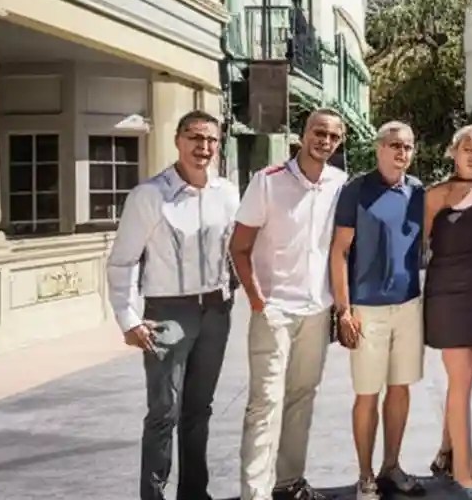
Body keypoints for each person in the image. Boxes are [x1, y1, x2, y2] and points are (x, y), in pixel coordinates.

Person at [105, 110, 240, 500]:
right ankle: (153, 494)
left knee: (200, 409)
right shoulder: (150, 195)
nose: (204, 147)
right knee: (164, 410)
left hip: (217, 310)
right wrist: (128, 317)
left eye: (211, 140)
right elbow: (123, 260)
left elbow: (240, 248)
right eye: (196, 138)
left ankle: (195, 493)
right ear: (178, 140)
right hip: (168, 312)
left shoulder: (227, 192)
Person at [232, 108, 348, 500]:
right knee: (265, 401)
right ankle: (255, 493)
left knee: (302, 396)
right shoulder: (267, 182)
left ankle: (289, 481)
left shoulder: (340, 183)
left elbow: (340, 249)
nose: (325, 141)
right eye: (319, 132)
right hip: (275, 310)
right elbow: (239, 246)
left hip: (317, 309)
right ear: (304, 134)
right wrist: (256, 299)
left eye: (333, 136)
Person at [330, 121, 427, 500]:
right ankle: (365, 474)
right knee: (367, 393)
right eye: (395, 146)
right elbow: (339, 251)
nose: (401, 152)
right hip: (366, 309)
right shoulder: (356, 189)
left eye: (407, 146)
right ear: (379, 149)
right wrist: (344, 311)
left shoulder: (417, 190)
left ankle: (392, 466)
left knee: (400, 389)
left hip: (408, 305)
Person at [423, 125, 472, 499]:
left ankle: (446, 454)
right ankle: (465, 476)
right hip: (447, 296)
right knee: (461, 384)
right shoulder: (434, 195)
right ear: (454, 151)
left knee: (463, 383)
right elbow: (413, 248)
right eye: (468, 148)